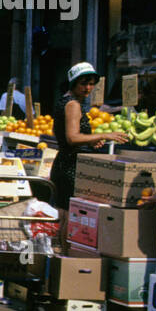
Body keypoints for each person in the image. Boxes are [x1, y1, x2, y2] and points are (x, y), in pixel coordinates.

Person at [49, 62, 128, 208]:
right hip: (70, 168)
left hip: (64, 164)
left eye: (91, 84)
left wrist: (88, 141)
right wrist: (104, 135)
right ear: (73, 83)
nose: (88, 88)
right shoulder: (73, 105)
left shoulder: (64, 101)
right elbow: (72, 138)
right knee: (69, 215)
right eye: (83, 83)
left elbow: (61, 133)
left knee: (65, 214)